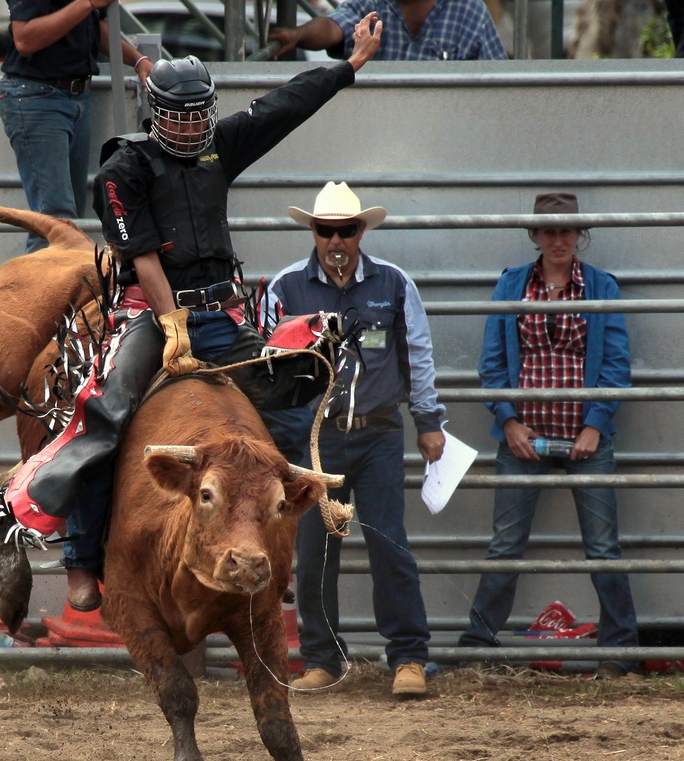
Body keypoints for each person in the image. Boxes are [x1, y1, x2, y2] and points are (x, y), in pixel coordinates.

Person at [0, 18, 383, 613]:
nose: (194, 125)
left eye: (201, 114)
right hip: (150, 314)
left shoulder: (219, 146)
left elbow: (282, 106)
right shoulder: (123, 170)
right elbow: (141, 257)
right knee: (107, 417)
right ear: (155, 112)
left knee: (289, 405)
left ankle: (269, 549)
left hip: (222, 313)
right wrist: (172, 326)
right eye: (181, 115)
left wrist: (348, 67)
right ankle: (82, 560)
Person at [258, 182, 445, 697]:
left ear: (361, 231)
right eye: (326, 230)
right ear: (314, 232)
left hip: (379, 431)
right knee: (316, 550)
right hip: (313, 440)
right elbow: (268, 370)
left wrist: (429, 422)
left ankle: (408, 657)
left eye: (346, 230)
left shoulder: (394, 283)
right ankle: (321, 657)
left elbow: (419, 353)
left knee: (390, 543)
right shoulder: (284, 289)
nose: (336, 240)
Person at [457, 192, 639, 679]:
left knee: (603, 546)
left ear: (580, 235)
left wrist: (595, 425)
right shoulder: (512, 285)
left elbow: (617, 365)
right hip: (523, 439)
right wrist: (509, 421)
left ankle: (620, 653)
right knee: (505, 544)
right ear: (534, 235)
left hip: (587, 440)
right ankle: (478, 647)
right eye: (550, 230)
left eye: (568, 230)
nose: (559, 239)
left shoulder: (601, 286)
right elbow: (491, 363)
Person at [0, 0, 154, 252]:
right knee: (56, 222)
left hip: (71, 95)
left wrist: (137, 60)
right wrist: (87, 3)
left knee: (62, 222)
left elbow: (96, 27)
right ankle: (39, 291)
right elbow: (25, 39)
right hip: (37, 95)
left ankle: (53, 289)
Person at [269, 0, 507, 61]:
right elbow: (332, 27)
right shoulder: (373, 5)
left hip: (447, 137)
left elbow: (496, 87)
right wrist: (298, 35)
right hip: (378, 134)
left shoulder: (469, 10)